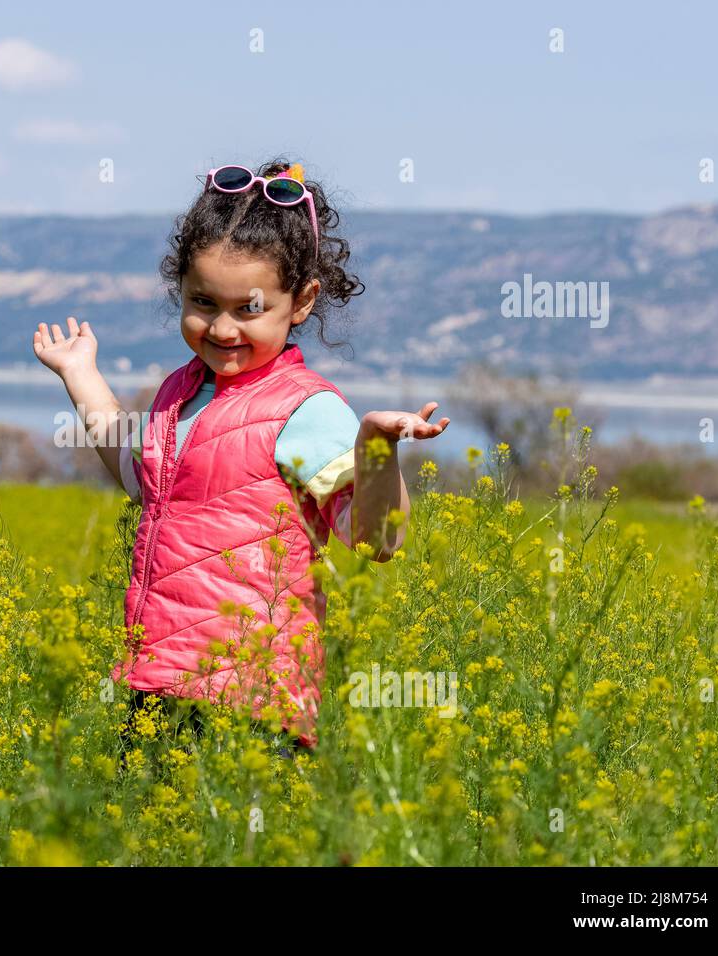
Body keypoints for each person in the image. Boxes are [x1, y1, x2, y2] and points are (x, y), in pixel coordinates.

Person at [33, 159, 449, 749]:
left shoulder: (305, 409)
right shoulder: (179, 392)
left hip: (253, 705)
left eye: (248, 309)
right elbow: (139, 473)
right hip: (153, 684)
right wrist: (81, 375)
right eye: (203, 302)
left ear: (300, 302)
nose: (223, 329)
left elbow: (377, 540)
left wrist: (376, 449)